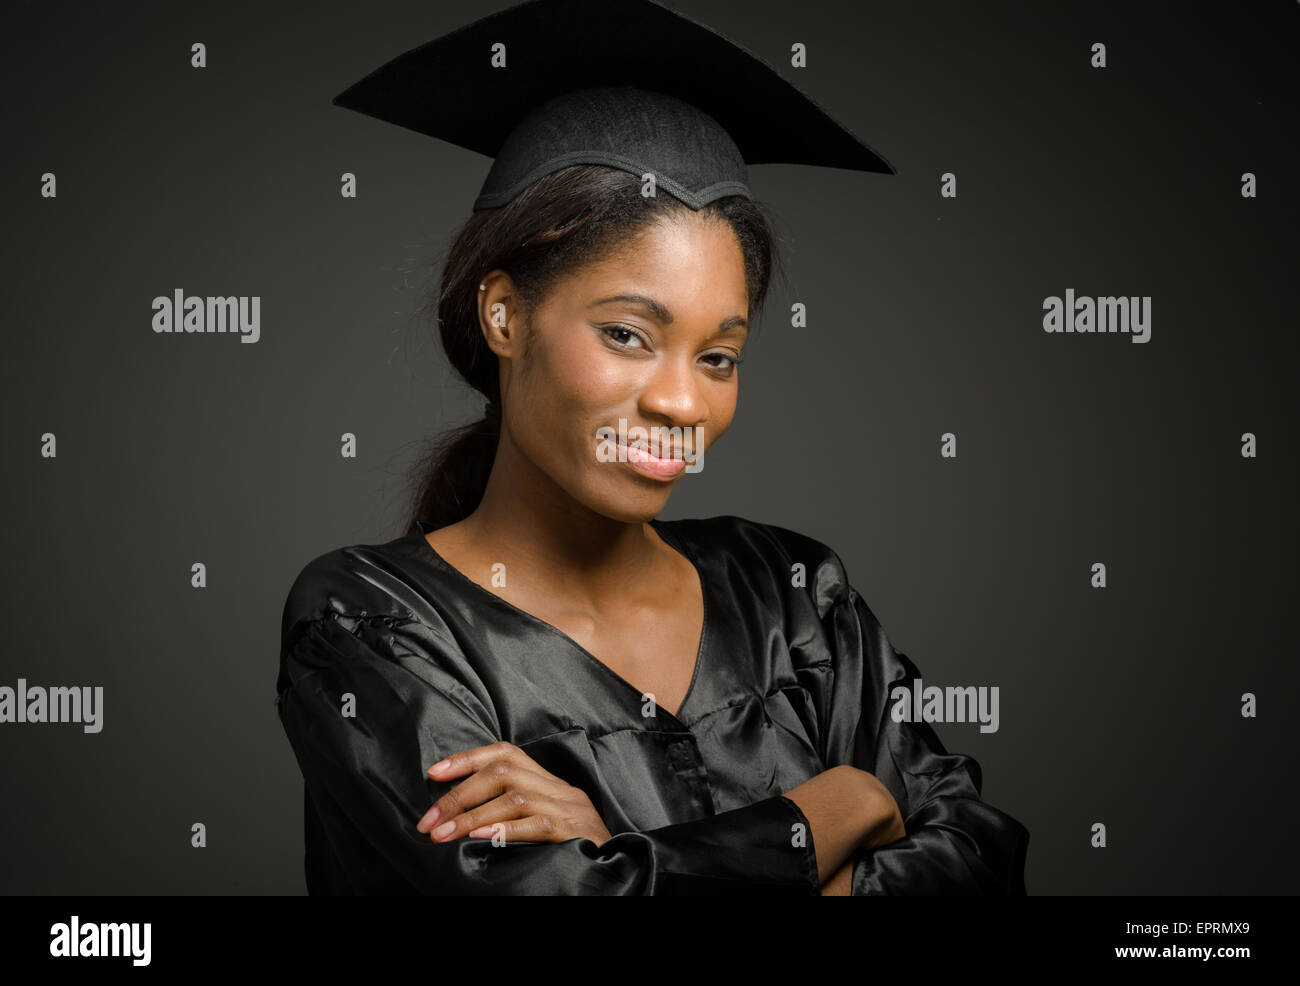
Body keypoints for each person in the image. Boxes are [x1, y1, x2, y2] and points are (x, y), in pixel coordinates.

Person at [276, 0, 1029, 895]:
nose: (680, 400)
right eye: (628, 334)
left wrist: (630, 852)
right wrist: (847, 804)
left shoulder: (793, 600)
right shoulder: (375, 626)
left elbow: (980, 859)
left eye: (718, 356)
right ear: (504, 314)